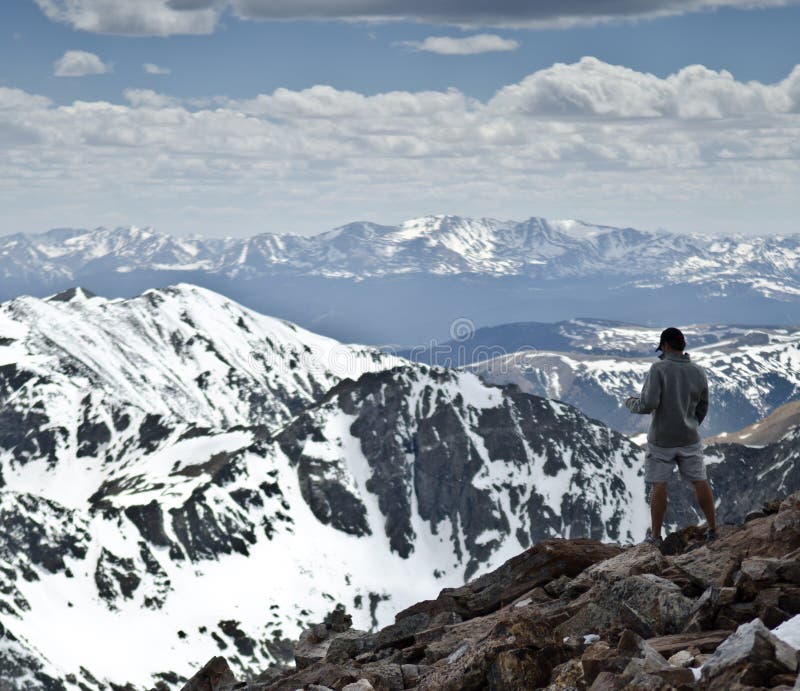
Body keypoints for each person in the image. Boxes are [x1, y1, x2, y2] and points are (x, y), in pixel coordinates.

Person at [625, 327, 716, 546]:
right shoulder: (698, 371)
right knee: (699, 480)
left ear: (666, 346)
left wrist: (630, 403)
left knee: (659, 485)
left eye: (662, 348)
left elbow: (648, 404)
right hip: (689, 437)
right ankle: (713, 529)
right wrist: (692, 424)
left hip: (662, 440)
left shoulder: (659, 368)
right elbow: (703, 406)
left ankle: (655, 537)